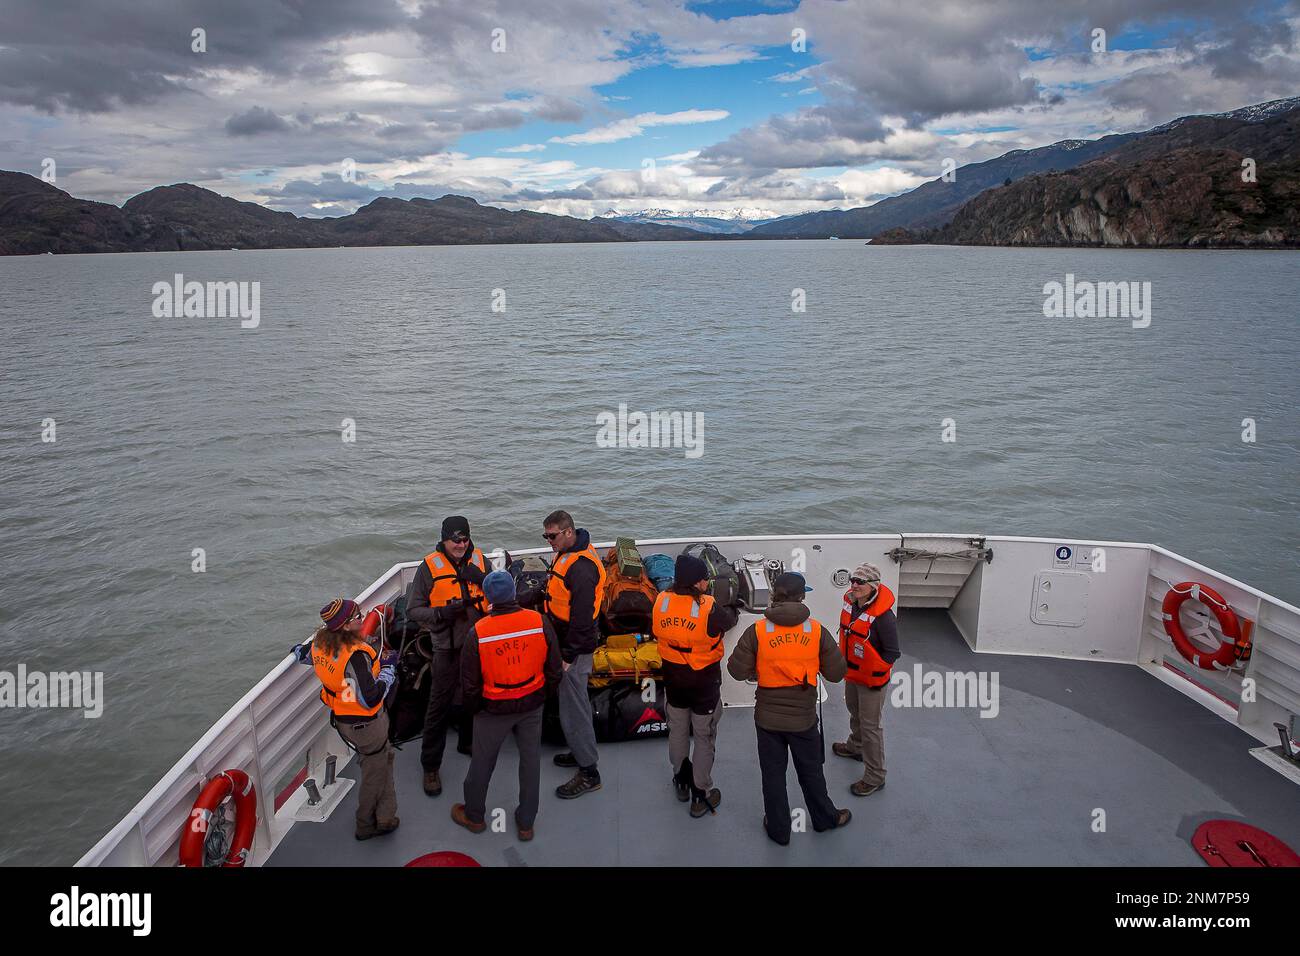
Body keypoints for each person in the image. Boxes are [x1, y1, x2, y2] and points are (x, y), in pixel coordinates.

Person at [726, 572, 851, 846]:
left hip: (767, 720)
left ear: (774, 596)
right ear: (801, 597)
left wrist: (759, 669)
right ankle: (824, 818)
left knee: (772, 775)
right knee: (811, 772)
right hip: (803, 720)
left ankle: (779, 830)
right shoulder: (816, 630)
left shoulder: (758, 630)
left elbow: (735, 670)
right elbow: (836, 673)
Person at [452, 571, 562, 841]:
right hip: (532, 704)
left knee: (482, 763)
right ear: (514, 594)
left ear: (489, 598)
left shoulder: (478, 632)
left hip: (493, 709)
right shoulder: (539, 621)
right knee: (530, 763)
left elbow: (469, 682)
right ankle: (526, 824)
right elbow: (555, 668)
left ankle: (475, 817)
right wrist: (542, 695)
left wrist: (476, 709)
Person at [293, 598, 399, 840]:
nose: (362, 620)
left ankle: (386, 816)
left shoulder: (320, 642)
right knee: (375, 772)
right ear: (346, 625)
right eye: (358, 617)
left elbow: (304, 655)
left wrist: (295, 650)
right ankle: (365, 825)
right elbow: (371, 698)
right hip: (367, 724)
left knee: (382, 761)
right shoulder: (356, 656)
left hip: (343, 719)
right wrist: (389, 668)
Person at [519, 509, 606, 799]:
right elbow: (557, 592)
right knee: (570, 703)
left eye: (552, 536)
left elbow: (582, 620)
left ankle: (589, 771)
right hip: (563, 639)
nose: (548, 541)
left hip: (575, 647)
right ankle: (579, 751)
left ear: (569, 531)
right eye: (545, 536)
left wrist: (568, 655)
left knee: (575, 706)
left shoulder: (582, 568)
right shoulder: (567, 554)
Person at [406, 515, 489, 797]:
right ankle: (431, 766)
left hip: (476, 645)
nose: (461, 545)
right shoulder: (428, 567)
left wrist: (483, 578)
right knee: (438, 707)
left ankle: (467, 742)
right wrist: (440, 613)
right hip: (445, 648)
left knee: (473, 696)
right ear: (444, 539)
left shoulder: (479, 560)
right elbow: (413, 610)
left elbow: (501, 595)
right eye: (455, 539)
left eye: (465, 539)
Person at [652, 553, 739, 817]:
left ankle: (680, 780)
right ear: (697, 583)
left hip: (674, 680)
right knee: (703, 736)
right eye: (704, 579)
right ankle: (700, 793)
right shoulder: (708, 606)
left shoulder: (661, 601)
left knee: (677, 731)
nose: (706, 583)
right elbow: (728, 621)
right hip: (703, 683)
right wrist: (734, 607)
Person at [832, 562, 900, 796]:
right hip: (852, 673)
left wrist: (874, 670)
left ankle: (875, 776)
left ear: (873, 586)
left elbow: (892, 653)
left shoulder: (884, 618)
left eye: (861, 582)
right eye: (853, 580)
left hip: (872, 680)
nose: (855, 585)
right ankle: (856, 747)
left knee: (871, 726)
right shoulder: (852, 605)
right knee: (854, 711)